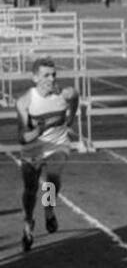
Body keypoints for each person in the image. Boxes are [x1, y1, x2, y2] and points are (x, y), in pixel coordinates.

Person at [15, 58, 79, 252]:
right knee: (30, 190)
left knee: (52, 177)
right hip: (33, 148)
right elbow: (23, 138)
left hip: (58, 145)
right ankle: (28, 223)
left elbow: (75, 98)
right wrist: (43, 127)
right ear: (35, 78)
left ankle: (49, 210)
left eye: (53, 75)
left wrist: (70, 119)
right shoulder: (25, 102)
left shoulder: (65, 94)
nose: (51, 79)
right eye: (46, 75)